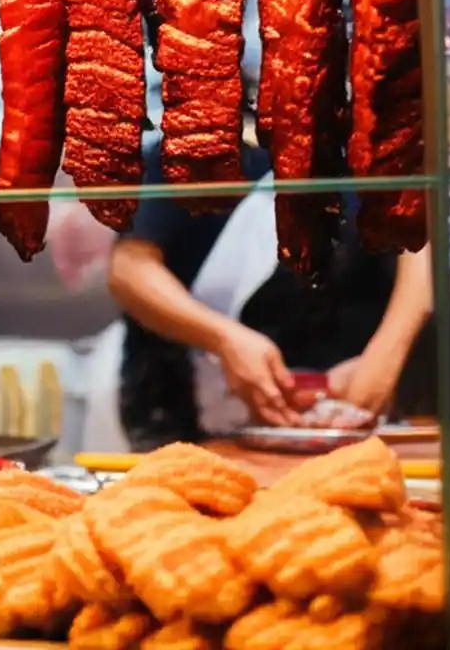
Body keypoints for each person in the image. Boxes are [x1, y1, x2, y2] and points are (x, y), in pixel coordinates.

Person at [103, 128, 432, 451]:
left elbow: (422, 244)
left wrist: (386, 355)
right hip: (188, 421)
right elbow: (129, 270)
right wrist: (225, 340)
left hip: (354, 423)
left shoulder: (376, 149)